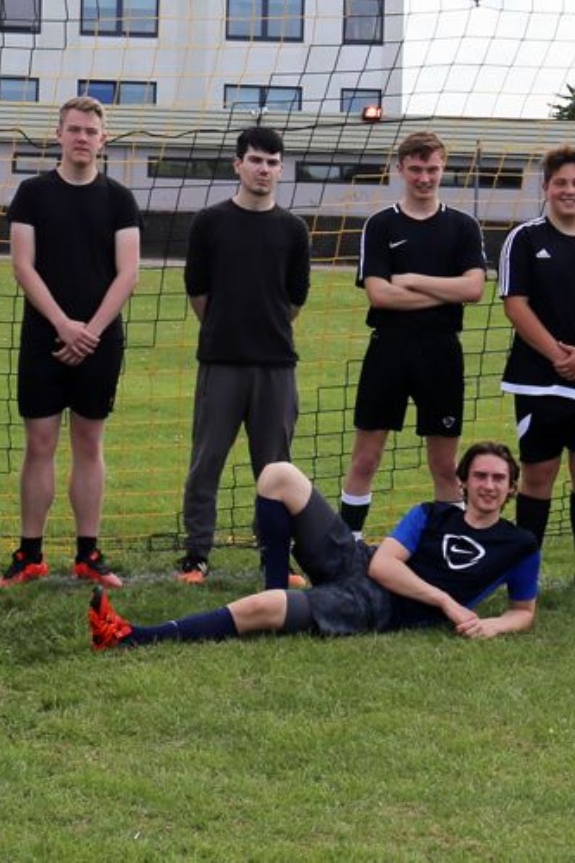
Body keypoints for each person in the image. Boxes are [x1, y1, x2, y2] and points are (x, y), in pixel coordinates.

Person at [90, 442, 538, 651]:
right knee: (278, 474)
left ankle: (130, 638)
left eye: (499, 478)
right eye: (480, 476)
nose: (488, 485)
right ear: (462, 480)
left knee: (263, 608)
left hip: (377, 606)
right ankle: (277, 585)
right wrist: (449, 602)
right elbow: (383, 565)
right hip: (363, 564)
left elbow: (524, 610)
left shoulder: (518, 545)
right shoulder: (432, 512)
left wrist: (494, 626)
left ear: (512, 488)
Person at [0, 95, 142, 590]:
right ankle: (30, 554)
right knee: (39, 443)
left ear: (103, 140)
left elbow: (129, 273)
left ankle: (88, 554)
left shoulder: (119, 198)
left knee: (88, 442)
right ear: (58, 135)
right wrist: (62, 324)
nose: (82, 138)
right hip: (45, 337)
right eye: (74, 129)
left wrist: (90, 331)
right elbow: (22, 266)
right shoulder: (33, 193)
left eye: (90, 131)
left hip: (100, 339)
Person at [176, 126, 310, 583]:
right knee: (206, 460)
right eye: (256, 160)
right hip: (221, 361)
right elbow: (198, 292)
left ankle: (275, 556)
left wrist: (264, 327)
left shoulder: (293, 229)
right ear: (238, 164)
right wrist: (224, 329)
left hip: (275, 365)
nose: (264, 169)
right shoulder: (209, 222)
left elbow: (294, 299)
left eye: (273, 162)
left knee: (275, 467)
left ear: (280, 169)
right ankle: (196, 555)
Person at [340, 131, 487, 537]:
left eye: (433, 169)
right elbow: (380, 295)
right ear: (400, 168)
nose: (425, 177)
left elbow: (474, 289)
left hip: (441, 352)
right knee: (365, 459)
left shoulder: (462, 226)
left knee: (443, 464)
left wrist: (413, 279)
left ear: (444, 169)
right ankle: (347, 548)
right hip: (388, 349)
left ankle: (451, 545)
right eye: (417, 169)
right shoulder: (381, 224)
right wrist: (445, 292)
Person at [499, 144, 575, 549]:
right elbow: (515, 304)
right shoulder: (524, 238)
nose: (569, 190)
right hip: (538, 382)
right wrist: (558, 355)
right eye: (560, 182)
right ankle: (525, 571)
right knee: (538, 475)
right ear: (545, 187)